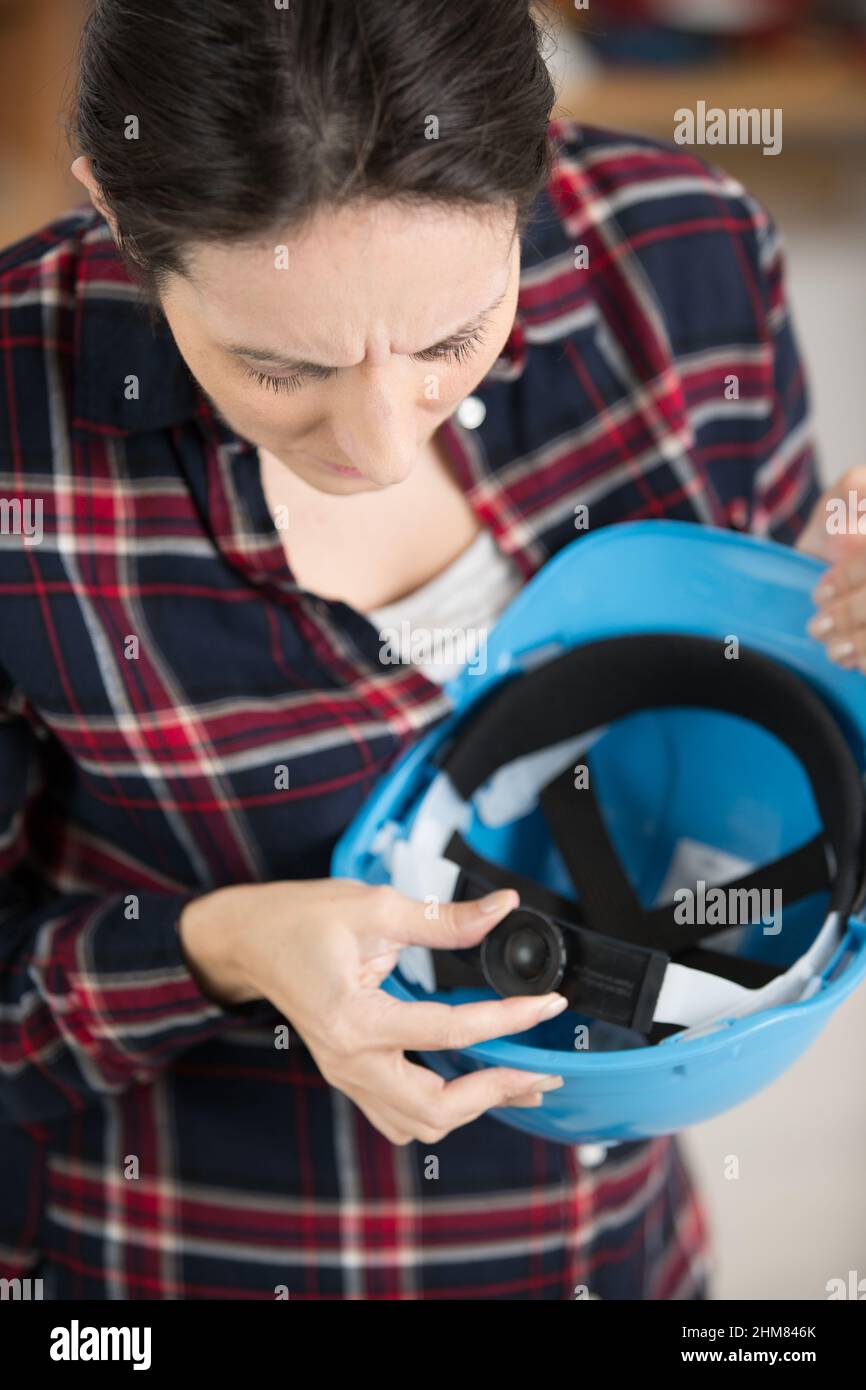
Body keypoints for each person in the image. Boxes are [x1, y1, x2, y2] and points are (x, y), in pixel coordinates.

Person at [0, 0, 861, 1302]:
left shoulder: (687, 261)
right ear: (118, 211)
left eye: (452, 340)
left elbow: (771, 729)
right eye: (278, 368)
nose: (384, 445)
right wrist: (215, 947)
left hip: (612, 1253)